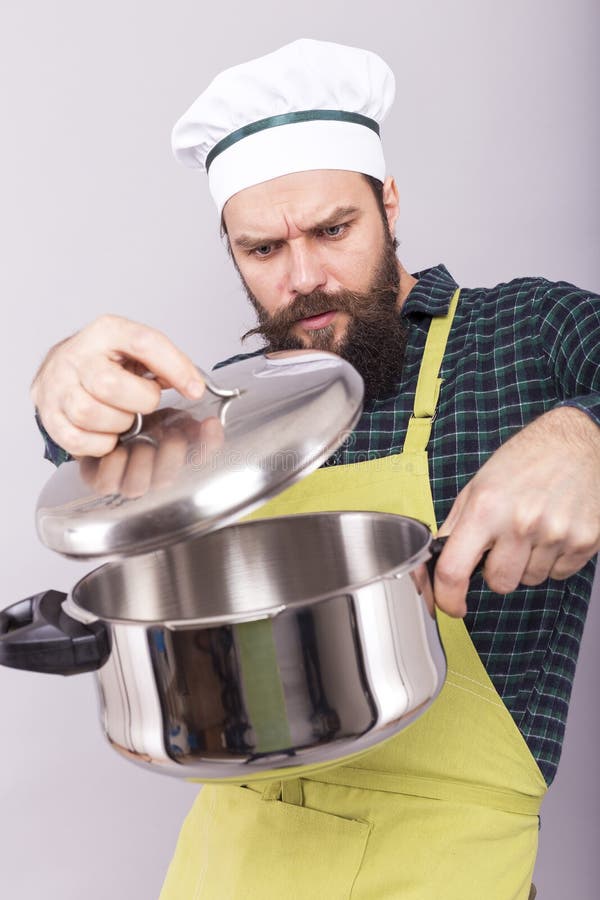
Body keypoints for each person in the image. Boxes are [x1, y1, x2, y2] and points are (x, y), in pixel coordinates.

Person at [31, 39, 599, 900]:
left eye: (333, 230)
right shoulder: (224, 409)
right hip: (227, 860)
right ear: (230, 248)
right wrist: (60, 391)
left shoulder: (528, 335)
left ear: (389, 202)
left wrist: (584, 435)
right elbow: (101, 466)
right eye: (263, 250)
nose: (306, 279)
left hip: (446, 867)